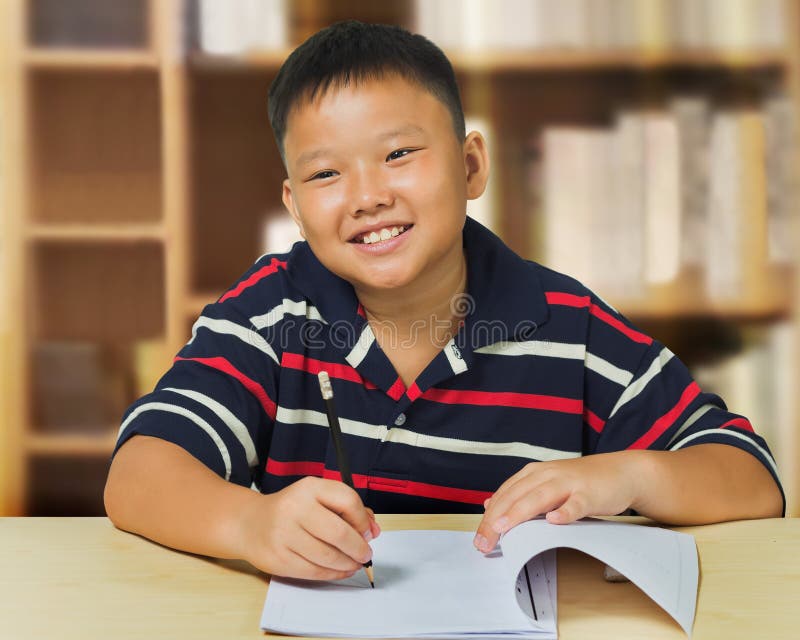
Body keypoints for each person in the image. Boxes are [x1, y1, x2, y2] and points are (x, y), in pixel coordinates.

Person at [104, 20, 784, 583]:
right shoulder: (271, 312)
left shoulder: (566, 327)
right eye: (326, 173)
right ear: (295, 206)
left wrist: (629, 476)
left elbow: (751, 479)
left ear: (469, 166)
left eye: (399, 153)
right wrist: (248, 522)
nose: (367, 195)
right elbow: (140, 471)